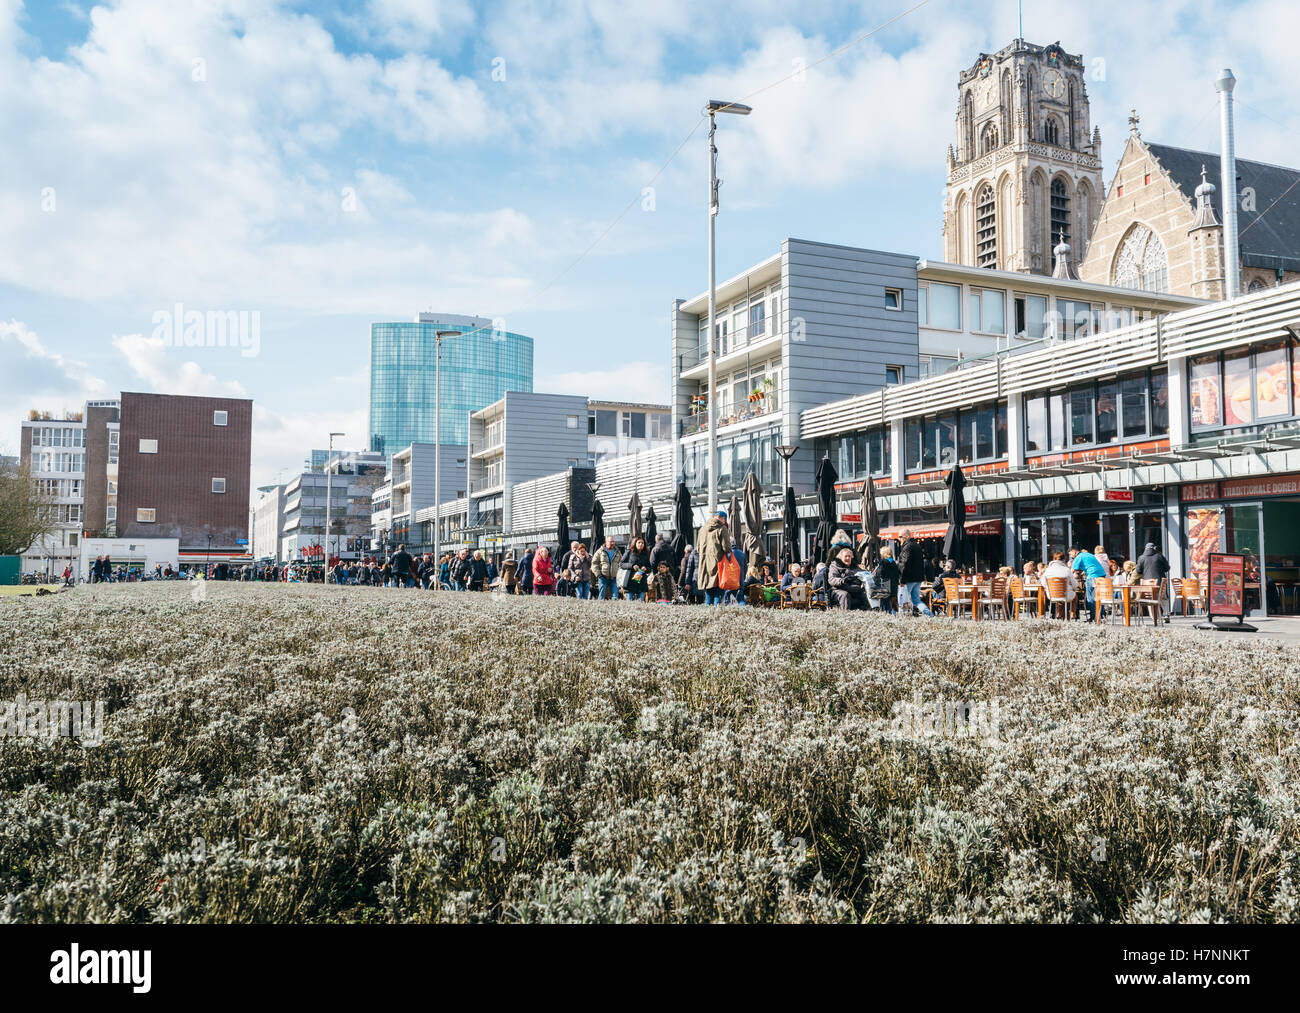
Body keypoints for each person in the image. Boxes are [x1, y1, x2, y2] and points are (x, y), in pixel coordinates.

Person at [695, 509, 733, 606]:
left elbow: (698, 549)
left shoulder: (702, 529)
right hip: (718, 565)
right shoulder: (722, 528)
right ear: (722, 519)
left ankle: (708, 617)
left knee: (708, 595)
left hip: (704, 566)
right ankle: (716, 617)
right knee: (718, 594)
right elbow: (727, 548)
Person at [897, 529, 933, 617]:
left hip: (909, 578)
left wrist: (902, 580)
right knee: (916, 600)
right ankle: (930, 615)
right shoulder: (917, 546)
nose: (899, 539)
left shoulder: (907, 547)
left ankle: (902, 618)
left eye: (900, 537)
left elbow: (905, 564)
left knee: (902, 599)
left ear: (906, 536)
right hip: (918, 578)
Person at [828, 545, 870, 610]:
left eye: (849, 556)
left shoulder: (855, 566)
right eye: (846, 556)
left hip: (854, 589)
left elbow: (862, 574)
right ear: (841, 557)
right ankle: (845, 616)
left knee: (866, 594)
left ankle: (869, 616)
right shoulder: (835, 566)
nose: (848, 558)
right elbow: (832, 579)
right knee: (845, 595)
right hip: (838, 589)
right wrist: (843, 580)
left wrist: (867, 576)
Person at [1071, 545, 1108, 621]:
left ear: (1074, 551)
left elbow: (1072, 570)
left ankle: (1093, 617)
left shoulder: (1079, 557)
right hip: (1102, 575)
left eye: (1070, 554)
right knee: (1099, 596)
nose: (1070, 556)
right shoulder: (1089, 554)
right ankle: (1102, 616)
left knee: (1090, 598)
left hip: (1092, 576)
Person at [1042, 550, 1080, 615]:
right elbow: (1075, 585)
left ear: (1053, 559)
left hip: (1052, 595)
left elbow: (1043, 583)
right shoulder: (1066, 570)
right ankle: (1072, 614)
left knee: (1060, 599)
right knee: (1074, 596)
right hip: (1065, 595)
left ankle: (1060, 614)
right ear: (1063, 560)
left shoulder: (1048, 570)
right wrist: (1072, 587)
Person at [620, 536, 652, 601]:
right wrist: (632, 566)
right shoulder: (629, 552)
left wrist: (646, 568)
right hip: (630, 583)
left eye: (642, 543)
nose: (641, 544)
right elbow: (621, 564)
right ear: (635, 543)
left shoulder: (646, 554)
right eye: (639, 542)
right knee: (629, 605)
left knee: (640, 605)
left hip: (642, 583)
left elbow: (649, 568)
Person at [873, 545, 901, 614]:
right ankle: (893, 615)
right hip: (894, 586)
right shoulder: (894, 563)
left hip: (885, 586)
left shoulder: (883, 562)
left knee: (884, 604)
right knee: (892, 603)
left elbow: (879, 574)